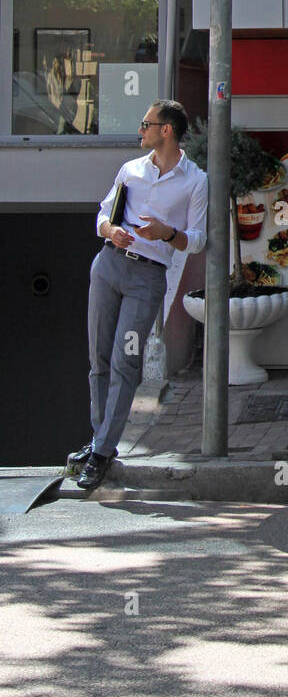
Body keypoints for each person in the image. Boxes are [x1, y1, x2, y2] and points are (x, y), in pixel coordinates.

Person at [67, 100, 208, 492]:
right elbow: (102, 215)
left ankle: (102, 450)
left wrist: (165, 233)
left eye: (146, 124)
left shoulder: (195, 180)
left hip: (147, 279)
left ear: (167, 131)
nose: (140, 130)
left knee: (124, 362)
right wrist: (111, 231)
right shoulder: (130, 170)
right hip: (108, 266)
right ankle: (101, 443)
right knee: (98, 358)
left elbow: (196, 241)